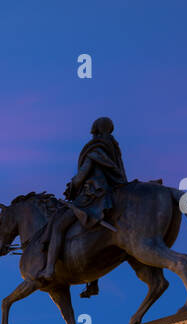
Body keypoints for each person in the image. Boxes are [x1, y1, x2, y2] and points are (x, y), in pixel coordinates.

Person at [38, 116, 126, 284]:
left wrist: (71, 186)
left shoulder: (94, 149)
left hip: (91, 197)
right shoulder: (113, 147)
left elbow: (82, 175)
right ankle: (93, 282)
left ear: (96, 129)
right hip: (110, 194)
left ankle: (49, 269)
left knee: (58, 226)